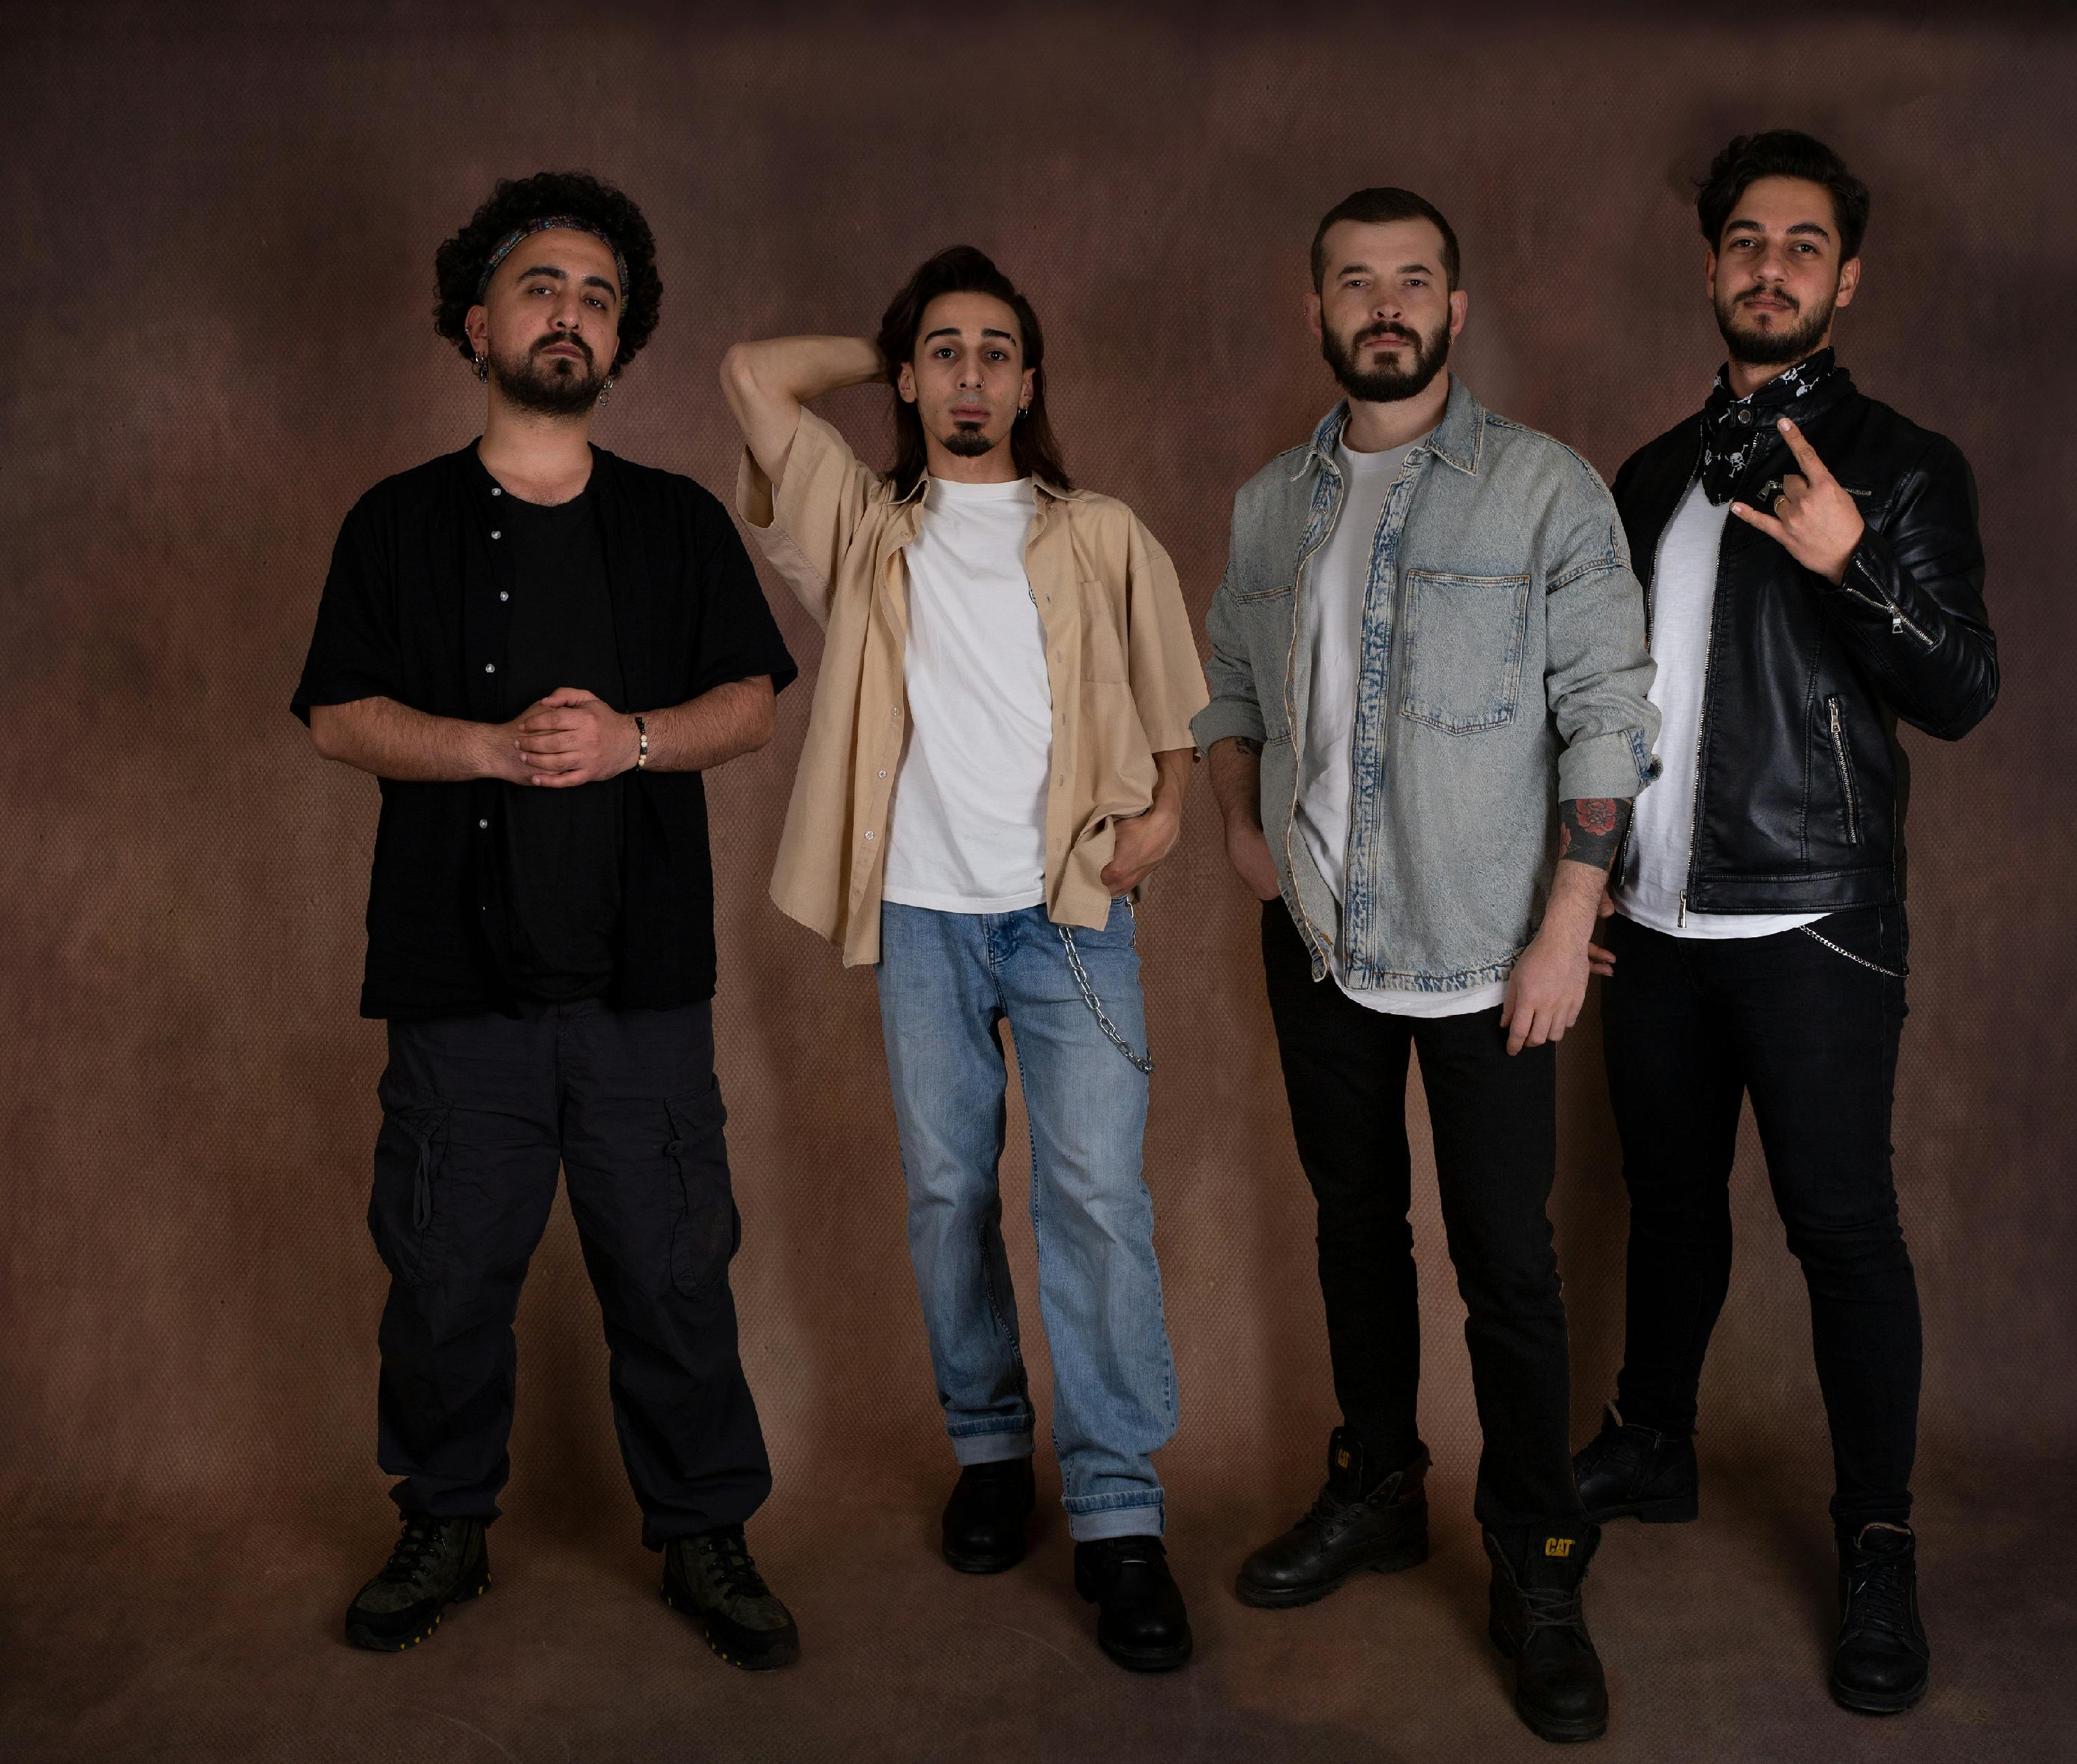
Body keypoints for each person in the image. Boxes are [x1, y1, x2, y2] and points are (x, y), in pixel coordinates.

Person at [294, 172, 801, 1670]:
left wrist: (632, 739)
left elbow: (752, 703)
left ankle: (706, 1535)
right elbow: (336, 716)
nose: (569, 312)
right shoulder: (396, 523)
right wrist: (491, 745)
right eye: (541, 286)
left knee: (672, 1269)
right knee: (448, 1278)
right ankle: (444, 1523)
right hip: (458, 986)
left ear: (619, 333)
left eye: (596, 294)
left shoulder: (676, 522)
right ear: (477, 322)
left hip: (644, 987)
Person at [1193, 188, 1660, 1743]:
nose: (1382, 305)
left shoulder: (1543, 492)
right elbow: (1227, 695)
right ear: (1314, 310)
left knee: (1510, 1274)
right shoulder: (1270, 505)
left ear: (1456, 311)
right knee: (1353, 1231)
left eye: (1412, 282)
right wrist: (1248, 844)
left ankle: (1536, 1562)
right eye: (1353, 281)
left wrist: (1565, 926)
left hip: (1494, 961)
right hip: (1321, 948)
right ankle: (1380, 1485)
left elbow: (1608, 710)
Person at [720, 246, 1209, 1672]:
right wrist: (892, 345)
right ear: (914, 375)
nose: (972, 375)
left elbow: (1177, 708)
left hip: (1069, 915)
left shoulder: (1103, 531)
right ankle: (993, 1450)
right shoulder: (865, 529)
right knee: (948, 1194)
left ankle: (1120, 1515)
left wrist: (1167, 821)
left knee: (1097, 1201)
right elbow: (753, 377)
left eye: (997, 352)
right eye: (945, 352)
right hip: (925, 918)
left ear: (1033, 380)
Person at [1577, 130, 2000, 1716]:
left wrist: (1856, 567)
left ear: (1846, 279)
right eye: (1745, 242)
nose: (1770, 267)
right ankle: (1657, 1442)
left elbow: (1961, 689)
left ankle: (1876, 1541)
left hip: (1815, 916)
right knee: (1670, 1203)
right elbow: (1603, 704)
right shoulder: (1643, 475)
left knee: (1840, 1231)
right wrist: (1585, 883)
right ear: (1710, 269)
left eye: (1802, 246)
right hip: (1658, 922)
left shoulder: (1902, 466)